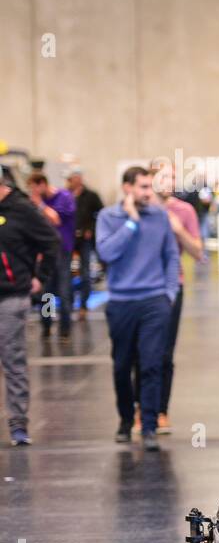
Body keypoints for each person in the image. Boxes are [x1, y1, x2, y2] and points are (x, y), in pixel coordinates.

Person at [96, 166, 178, 452]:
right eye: (143, 187)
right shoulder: (108, 218)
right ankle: (125, 420)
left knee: (152, 364)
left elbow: (171, 257)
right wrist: (130, 223)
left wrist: (168, 295)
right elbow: (106, 253)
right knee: (121, 365)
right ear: (127, 188)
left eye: (149, 187)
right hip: (120, 302)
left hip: (154, 301)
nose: (148, 193)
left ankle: (150, 425)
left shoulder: (160, 217)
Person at [0, 169, 59, 446]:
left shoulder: (21, 209)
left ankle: (18, 423)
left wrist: (39, 278)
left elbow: (51, 242)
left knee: (12, 360)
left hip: (11, 297)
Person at [147, 162, 203, 434]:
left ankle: (160, 411)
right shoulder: (140, 208)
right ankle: (140, 408)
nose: (170, 181)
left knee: (165, 352)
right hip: (142, 288)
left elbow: (197, 252)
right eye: (163, 176)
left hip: (171, 287)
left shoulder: (184, 210)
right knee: (140, 351)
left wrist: (178, 229)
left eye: (173, 176)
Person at [27, 172, 76, 340]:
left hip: (62, 251)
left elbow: (56, 219)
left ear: (42, 184)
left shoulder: (64, 197)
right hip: (45, 253)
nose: (33, 192)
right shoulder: (36, 202)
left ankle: (65, 329)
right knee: (46, 292)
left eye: (34, 187)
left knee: (63, 290)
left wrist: (40, 204)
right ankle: (46, 325)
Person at [67, 168, 103, 319]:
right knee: (65, 272)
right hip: (69, 239)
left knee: (85, 272)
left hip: (85, 240)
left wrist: (91, 229)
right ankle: (67, 304)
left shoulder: (91, 196)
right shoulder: (66, 195)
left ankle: (83, 304)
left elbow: (101, 214)